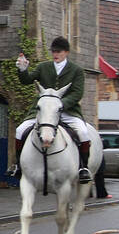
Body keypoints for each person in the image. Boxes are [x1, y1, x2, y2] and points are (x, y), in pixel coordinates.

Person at [6, 36, 94, 183]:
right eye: (53, 51)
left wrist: (59, 105)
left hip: (68, 111)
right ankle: (18, 165)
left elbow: (77, 93)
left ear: (66, 52)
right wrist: (23, 70)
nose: (55, 54)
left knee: (83, 133)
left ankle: (82, 168)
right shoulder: (43, 67)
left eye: (58, 52)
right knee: (20, 130)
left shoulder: (76, 70)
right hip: (43, 111)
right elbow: (27, 80)